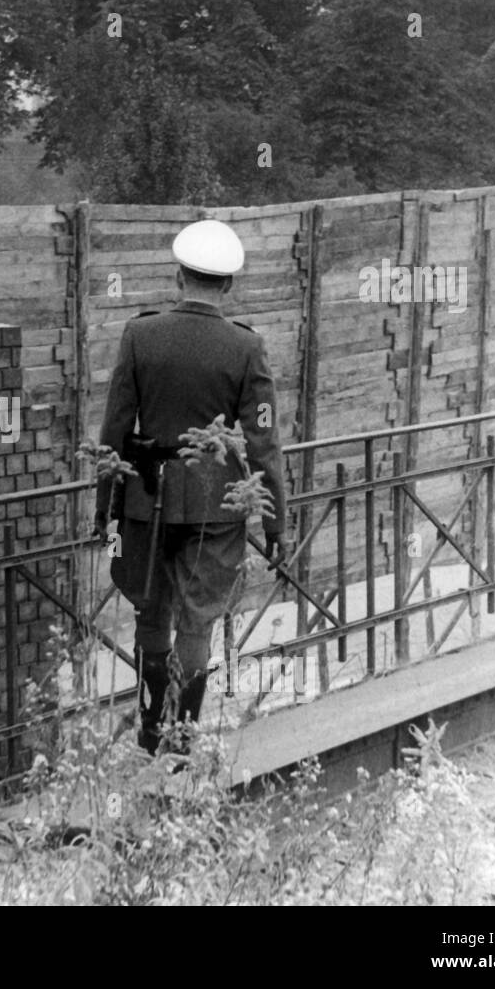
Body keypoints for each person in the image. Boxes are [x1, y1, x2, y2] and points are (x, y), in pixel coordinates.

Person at [98, 219, 288, 755]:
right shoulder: (246, 348)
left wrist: (102, 509)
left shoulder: (140, 334)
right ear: (227, 286)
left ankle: (149, 731)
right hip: (216, 504)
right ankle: (183, 741)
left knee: (150, 614)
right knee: (198, 622)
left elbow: (113, 430)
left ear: (179, 276)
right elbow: (264, 444)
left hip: (145, 500)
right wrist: (276, 522)